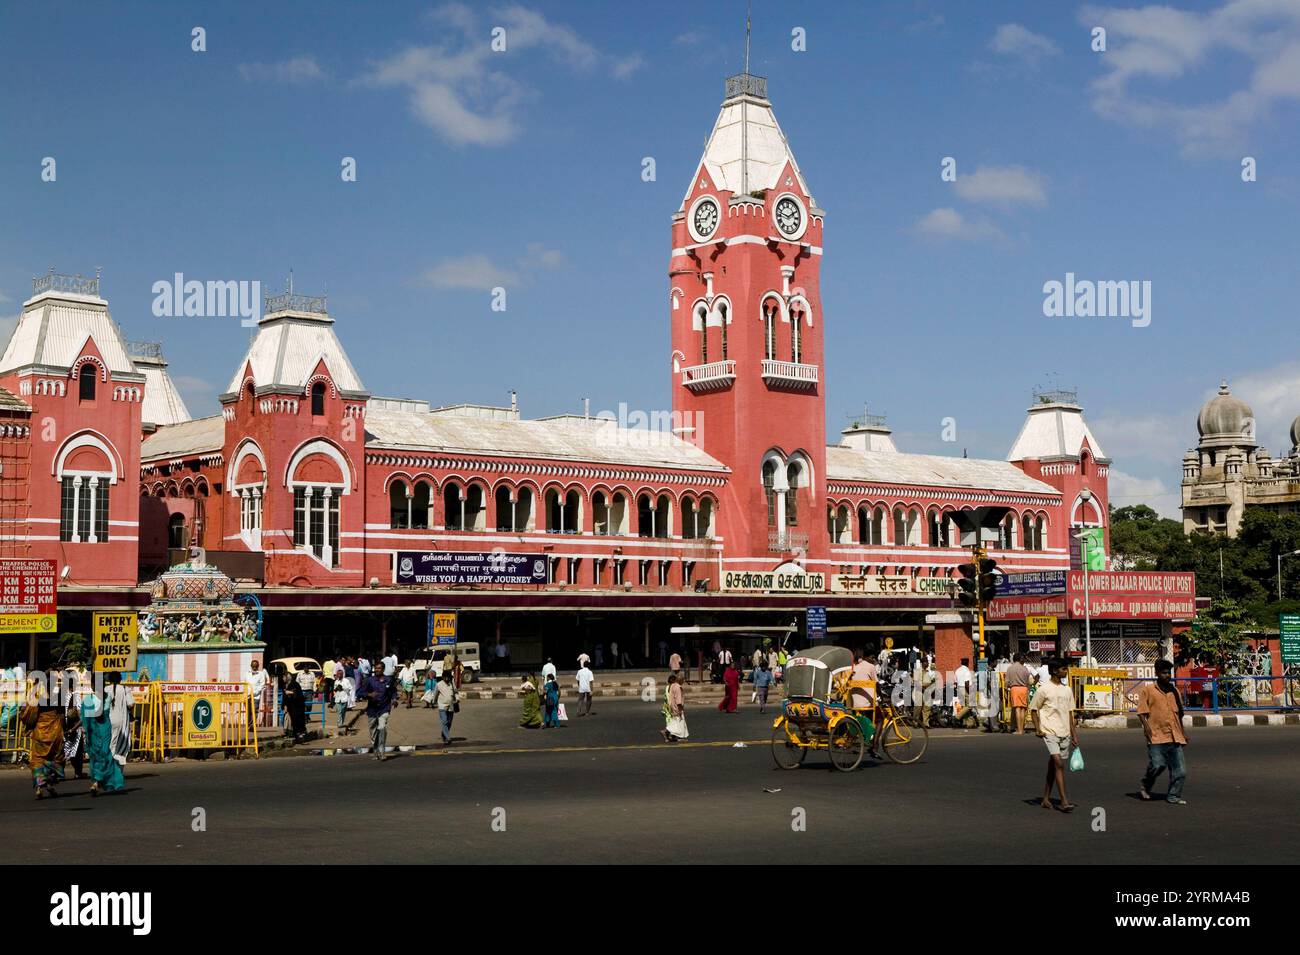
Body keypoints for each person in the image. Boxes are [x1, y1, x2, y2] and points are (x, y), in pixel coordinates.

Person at [1028, 659, 1079, 812]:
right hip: (1049, 731)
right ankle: (1064, 801)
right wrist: (1037, 729)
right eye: (1064, 669)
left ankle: (1045, 798)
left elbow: (1070, 714)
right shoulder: (1043, 689)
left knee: (1053, 766)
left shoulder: (1067, 690)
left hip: (1064, 732)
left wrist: (1074, 734)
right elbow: (1034, 709)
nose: (1066, 671)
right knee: (1059, 764)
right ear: (1055, 671)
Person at [1138, 659, 1188, 805]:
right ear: (1157, 673)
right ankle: (1146, 784)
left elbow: (1179, 715)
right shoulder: (1148, 690)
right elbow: (1141, 712)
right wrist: (1146, 729)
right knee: (1158, 765)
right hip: (1156, 735)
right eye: (1164, 673)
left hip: (1175, 735)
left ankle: (1173, 796)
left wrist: (1183, 733)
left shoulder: (1174, 691)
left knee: (1180, 771)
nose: (1167, 675)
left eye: (1169, 673)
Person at [82, 671, 130, 795]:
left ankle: (96, 781)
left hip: (94, 731)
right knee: (106, 754)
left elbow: (87, 719)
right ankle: (103, 781)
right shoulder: (108, 696)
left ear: (93, 685)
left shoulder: (88, 700)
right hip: (105, 729)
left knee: (97, 756)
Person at [22, 687, 65, 800]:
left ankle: (39, 787)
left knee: (38, 760)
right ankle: (50, 784)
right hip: (55, 732)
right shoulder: (59, 695)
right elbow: (61, 716)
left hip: (41, 732)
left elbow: (28, 715)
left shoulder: (37, 697)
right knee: (54, 759)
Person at [359, 665, 396, 760]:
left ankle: (382, 752)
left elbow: (393, 691)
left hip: (384, 708)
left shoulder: (388, 680)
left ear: (383, 669)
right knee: (373, 732)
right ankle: (376, 751)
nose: (377, 670)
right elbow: (359, 692)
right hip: (372, 710)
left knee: (382, 728)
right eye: (376, 668)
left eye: (379, 668)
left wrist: (394, 699)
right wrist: (369, 694)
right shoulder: (369, 680)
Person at [1005, 654, 1033, 734]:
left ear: (1014, 659)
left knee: (1017, 708)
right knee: (1023, 709)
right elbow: (1028, 681)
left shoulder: (1010, 668)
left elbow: (1007, 681)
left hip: (1015, 689)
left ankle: (1019, 730)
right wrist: (1028, 690)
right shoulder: (1024, 668)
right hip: (1024, 689)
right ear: (1020, 659)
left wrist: (1005, 690)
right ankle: (1022, 728)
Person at [434, 670, 458, 746]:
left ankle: (444, 733)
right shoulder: (438, 684)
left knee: (449, 722)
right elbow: (435, 694)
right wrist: (433, 702)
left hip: (451, 705)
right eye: (446, 677)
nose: (447, 679)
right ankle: (448, 738)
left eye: (448, 677)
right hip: (442, 706)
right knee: (444, 721)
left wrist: (457, 699)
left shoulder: (452, 683)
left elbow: (456, 692)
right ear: (443, 677)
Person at [661, 673, 688, 742]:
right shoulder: (678, 687)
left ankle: (672, 735)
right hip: (677, 708)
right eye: (683, 680)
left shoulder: (672, 686)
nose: (684, 681)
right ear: (681, 680)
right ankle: (676, 736)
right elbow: (679, 701)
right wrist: (680, 708)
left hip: (672, 707)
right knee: (680, 722)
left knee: (675, 722)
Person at [282, 671, 307, 741]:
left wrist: (290, 692)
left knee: (297, 720)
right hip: (289, 706)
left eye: (284, 677)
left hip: (297, 706)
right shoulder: (285, 685)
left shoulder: (295, 684)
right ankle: (290, 733)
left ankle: (299, 734)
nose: (283, 678)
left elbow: (299, 695)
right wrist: (284, 705)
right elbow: (284, 697)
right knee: (288, 720)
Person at [245, 659, 268, 728]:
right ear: (251, 666)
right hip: (247, 695)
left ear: (258, 666)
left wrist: (255, 692)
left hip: (256, 696)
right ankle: (249, 725)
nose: (254, 667)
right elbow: (244, 683)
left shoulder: (261, 674)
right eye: (253, 666)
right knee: (248, 711)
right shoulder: (247, 673)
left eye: (256, 666)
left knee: (254, 711)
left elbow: (262, 685)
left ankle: (252, 726)